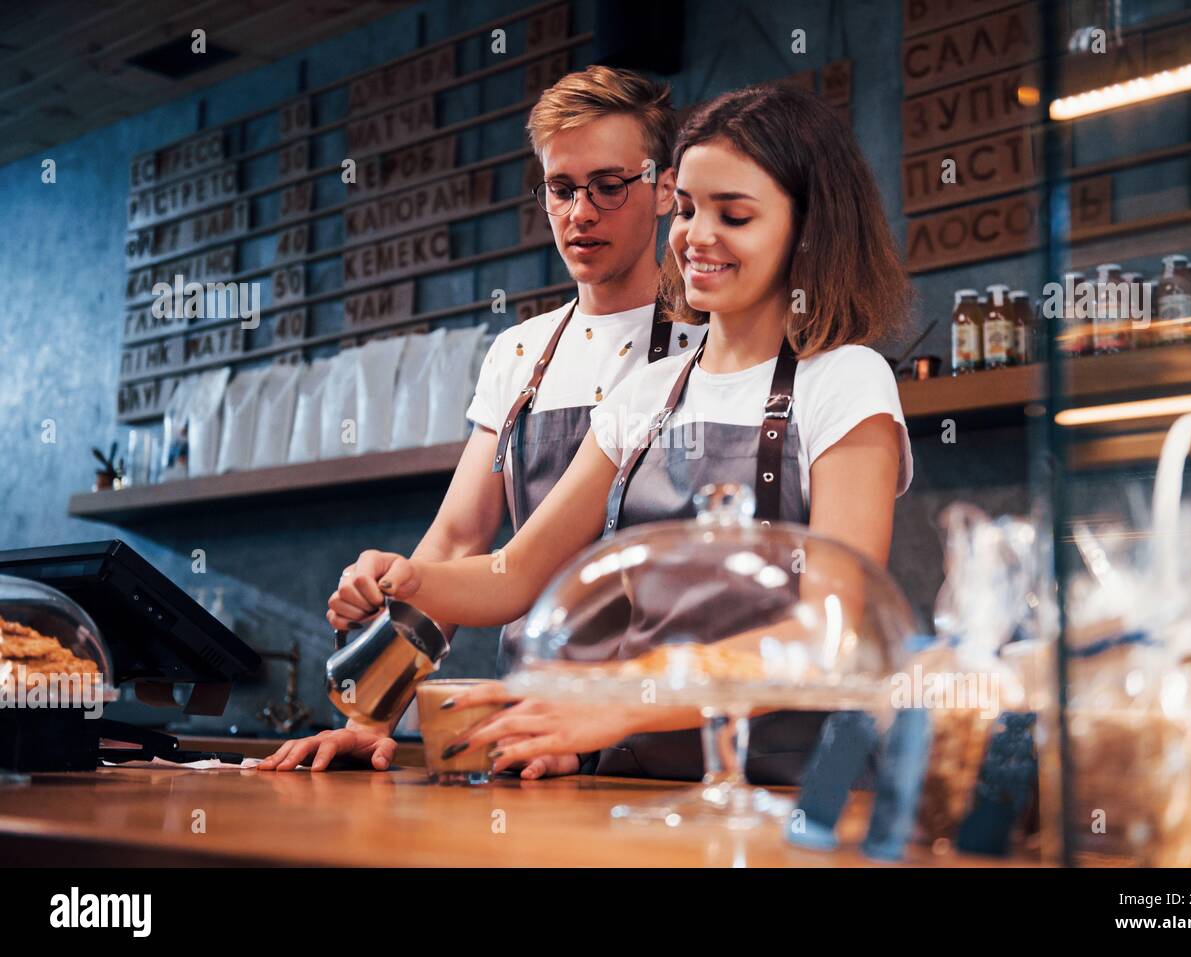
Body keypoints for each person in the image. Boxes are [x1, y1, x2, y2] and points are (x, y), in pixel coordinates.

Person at [352, 82, 915, 784]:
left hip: (784, 792)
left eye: (733, 215)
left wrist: (619, 697)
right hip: (629, 781)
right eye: (688, 209)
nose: (696, 237)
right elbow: (517, 572)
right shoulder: (645, 394)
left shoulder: (845, 379)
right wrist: (409, 578)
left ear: (807, 229)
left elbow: (833, 629)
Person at [259, 66, 705, 774]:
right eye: (561, 189)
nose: (581, 213)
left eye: (608, 185)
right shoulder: (519, 354)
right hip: (536, 736)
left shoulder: (713, 344)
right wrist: (370, 714)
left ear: (663, 189)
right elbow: (458, 542)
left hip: (684, 732)